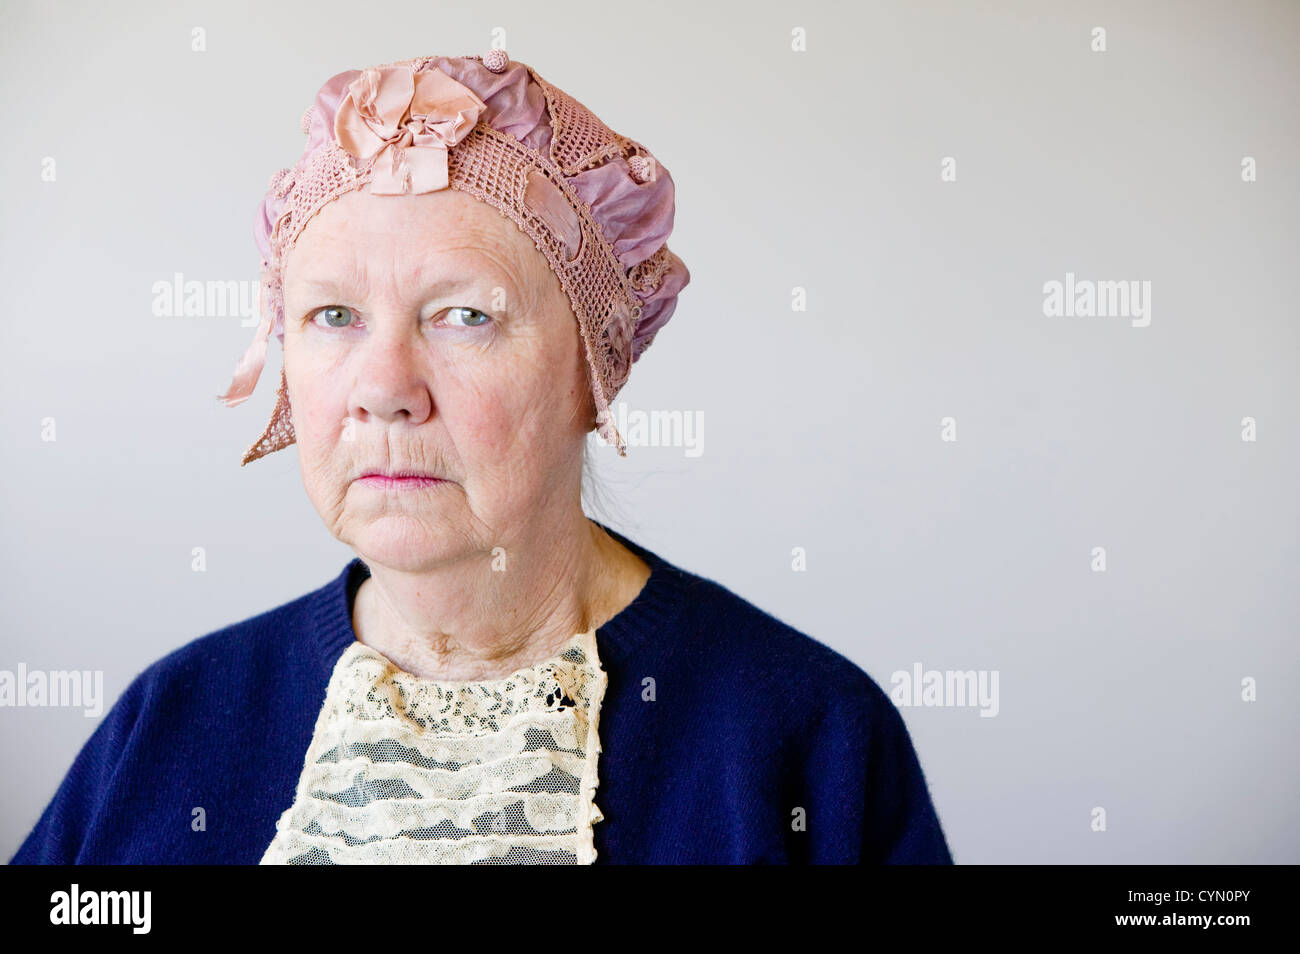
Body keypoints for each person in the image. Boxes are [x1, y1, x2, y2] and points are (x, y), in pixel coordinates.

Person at [9, 49, 953, 865]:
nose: (387, 387)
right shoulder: (168, 724)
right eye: (333, 315)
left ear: (594, 369)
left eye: (464, 316)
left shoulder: (808, 735)